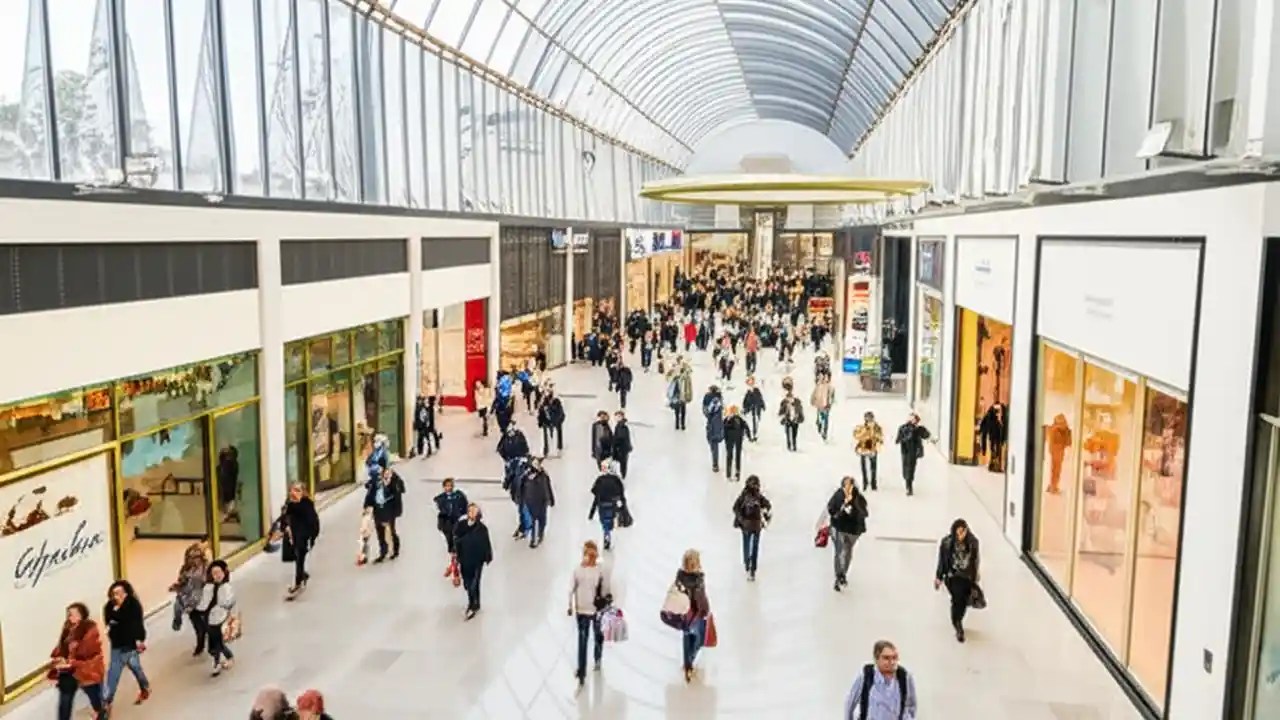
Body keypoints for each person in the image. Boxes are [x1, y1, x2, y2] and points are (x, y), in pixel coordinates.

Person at [48, 602, 106, 720]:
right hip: (68, 671)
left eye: (73, 614)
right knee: (65, 697)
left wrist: (70, 661)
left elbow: (88, 651)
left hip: (85, 669)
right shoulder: (67, 629)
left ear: (82, 615)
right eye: (69, 615)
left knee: (92, 693)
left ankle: (100, 711)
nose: (70, 617)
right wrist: (59, 659)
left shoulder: (90, 629)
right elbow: (61, 647)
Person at [568, 540, 613, 686]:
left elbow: (606, 588)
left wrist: (570, 604)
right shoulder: (582, 570)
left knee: (588, 638)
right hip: (587, 609)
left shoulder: (597, 570)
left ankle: (589, 664)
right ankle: (588, 665)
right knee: (588, 637)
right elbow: (571, 588)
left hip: (589, 609)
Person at [102, 580, 150, 710]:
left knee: (129, 669)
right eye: (114, 593)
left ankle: (144, 687)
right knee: (118, 671)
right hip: (117, 645)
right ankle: (107, 702)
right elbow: (109, 623)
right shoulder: (109, 607)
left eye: (120, 593)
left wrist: (139, 639)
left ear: (126, 592)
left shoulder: (133, 605)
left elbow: (137, 623)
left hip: (130, 644)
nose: (117, 596)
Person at [842, 640, 918, 720]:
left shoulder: (905, 677)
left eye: (894, 657)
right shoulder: (866, 675)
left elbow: (911, 706)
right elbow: (850, 703)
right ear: (876, 659)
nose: (891, 662)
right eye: (886, 658)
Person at [935, 518, 980, 642]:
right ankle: (957, 624)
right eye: (958, 532)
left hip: (967, 576)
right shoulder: (947, 543)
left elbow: (975, 561)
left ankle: (958, 618)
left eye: (963, 532)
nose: (960, 535)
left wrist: (975, 578)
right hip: (953, 576)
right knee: (957, 598)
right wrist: (938, 577)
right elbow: (942, 561)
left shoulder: (973, 543)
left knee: (963, 601)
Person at [675, 549, 712, 683]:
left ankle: (687, 665)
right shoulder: (699, 578)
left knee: (686, 638)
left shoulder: (680, 576)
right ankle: (690, 660)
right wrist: (706, 611)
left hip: (684, 613)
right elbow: (701, 598)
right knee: (699, 640)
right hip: (697, 614)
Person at [827, 476, 869, 591]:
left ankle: (841, 574)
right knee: (842, 551)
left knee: (844, 552)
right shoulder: (841, 495)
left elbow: (864, 513)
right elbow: (831, 508)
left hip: (849, 530)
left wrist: (851, 510)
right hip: (843, 529)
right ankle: (840, 575)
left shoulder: (856, 498)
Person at [453, 503, 493, 619]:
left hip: (477, 560)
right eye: (470, 511)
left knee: (474, 583)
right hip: (464, 559)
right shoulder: (461, 525)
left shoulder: (482, 528)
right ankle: (475, 601)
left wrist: (487, 556)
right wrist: (455, 553)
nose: (472, 513)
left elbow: (486, 543)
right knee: (467, 582)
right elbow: (456, 538)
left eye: (474, 511)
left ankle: (473, 604)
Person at [169, 540, 209, 656]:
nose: (193, 560)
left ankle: (201, 643)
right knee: (180, 609)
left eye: (196, 557)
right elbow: (181, 581)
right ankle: (178, 622)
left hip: (201, 598)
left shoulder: (206, 568)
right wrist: (176, 586)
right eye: (191, 557)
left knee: (201, 623)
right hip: (188, 597)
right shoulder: (186, 569)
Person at [282, 483, 321, 598]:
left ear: (302, 492)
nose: (293, 492)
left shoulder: (307, 504)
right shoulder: (290, 505)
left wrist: (312, 537)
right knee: (298, 558)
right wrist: (286, 529)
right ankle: (303, 575)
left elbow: (314, 522)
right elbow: (284, 519)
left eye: (297, 490)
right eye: (292, 490)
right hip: (294, 537)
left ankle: (298, 583)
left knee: (299, 559)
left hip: (304, 537)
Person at [200, 559, 237, 676]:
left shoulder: (226, 587)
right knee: (213, 645)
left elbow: (229, 602)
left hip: (220, 619)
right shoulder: (208, 588)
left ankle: (219, 662)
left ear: (224, 572)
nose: (216, 575)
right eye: (214, 573)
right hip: (209, 619)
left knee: (218, 644)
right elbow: (203, 603)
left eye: (218, 572)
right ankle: (223, 658)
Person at [732, 475, 772, 580]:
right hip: (756, 525)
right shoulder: (758, 496)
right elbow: (768, 505)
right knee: (755, 546)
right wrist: (766, 515)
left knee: (746, 543)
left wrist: (740, 519)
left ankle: (747, 562)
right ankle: (752, 567)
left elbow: (735, 508)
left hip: (746, 525)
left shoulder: (743, 496)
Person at [366, 465, 406, 562]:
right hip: (378, 510)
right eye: (384, 473)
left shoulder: (395, 482)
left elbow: (401, 490)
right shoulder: (377, 481)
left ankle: (395, 549)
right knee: (380, 532)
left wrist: (393, 480)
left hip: (389, 510)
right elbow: (368, 488)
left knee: (390, 531)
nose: (386, 475)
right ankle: (383, 552)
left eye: (389, 473)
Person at [589, 461, 626, 550]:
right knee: (610, 519)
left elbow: (594, 491)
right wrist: (622, 504)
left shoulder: (600, 479)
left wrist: (591, 513)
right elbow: (621, 492)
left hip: (602, 503)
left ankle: (606, 533)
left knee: (604, 521)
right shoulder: (616, 479)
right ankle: (608, 531)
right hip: (612, 503)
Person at [521, 457, 555, 548]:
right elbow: (521, 487)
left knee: (542, 520)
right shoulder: (527, 475)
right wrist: (521, 499)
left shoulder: (544, 475)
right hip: (531, 501)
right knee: (533, 520)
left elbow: (548, 487)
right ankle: (533, 539)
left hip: (542, 501)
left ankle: (540, 534)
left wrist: (551, 499)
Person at [895, 414, 931, 496]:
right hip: (905, 451)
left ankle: (909, 486)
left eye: (913, 419)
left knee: (910, 469)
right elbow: (897, 440)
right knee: (905, 469)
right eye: (910, 418)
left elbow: (926, 435)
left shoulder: (918, 429)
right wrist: (902, 438)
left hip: (914, 452)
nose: (911, 420)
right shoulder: (903, 428)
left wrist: (920, 430)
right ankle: (907, 482)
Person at [433, 478, 469, 555]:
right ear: (444, 487)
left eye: (450, 486)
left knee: (456, 534)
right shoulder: (441, 498)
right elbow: (438, 507)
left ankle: (456, 549)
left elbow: (464, 505)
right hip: (446, 520)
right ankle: (452, 549)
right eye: (447, 486)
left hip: (456, 518)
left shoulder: (458, 496)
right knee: (449, 535)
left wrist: (463, 514)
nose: (448, 488)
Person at [854, 412, 884, 491]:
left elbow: (880, 438)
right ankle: (865, 482)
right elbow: (856, 436)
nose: (868, 420)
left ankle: (873, 483)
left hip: (873, 449)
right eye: (867, 418)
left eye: (870, 418)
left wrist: (876, 439)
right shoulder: (861, 427)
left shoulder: (877, 428)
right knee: (864, 467)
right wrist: (865, 434)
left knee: (873, 467)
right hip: (863, 448)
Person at [722, 405, 751, 481]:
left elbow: (723, 429)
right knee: (737, 456)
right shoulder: (739, 419)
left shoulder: (727, 420)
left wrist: (723, 437)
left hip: (729, 440)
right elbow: (746, 427)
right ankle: (737, 473)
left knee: (729, 456)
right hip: (738, 438)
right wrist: (749, 436)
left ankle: (728, 474)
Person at [537, 385, 566, 456]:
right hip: (546, 421)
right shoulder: (544, 402)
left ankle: (559, 448)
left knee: (558, 433)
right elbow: (541, 412)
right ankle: (546, 450)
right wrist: (540, 421)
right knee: (546, 436)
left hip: (556, 420)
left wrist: (549, 408)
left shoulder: (556, 401)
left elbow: (560, 412)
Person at [702, 385, 726, 473]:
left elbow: (705, 411)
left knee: (713, 444)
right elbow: (723, 410)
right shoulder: (719, 399)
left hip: (711, 425)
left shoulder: (707, 398)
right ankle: (715, 463)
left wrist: (708, 416)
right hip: (718, 425)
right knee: (715, 443)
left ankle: (715, 463)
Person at [667, 359, 694, 430]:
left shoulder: (684, 378)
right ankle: (681, 424)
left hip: (680, 396)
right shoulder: (684, 378)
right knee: (682, 410)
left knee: (679, 410)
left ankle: (679, 424)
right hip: (681, 396)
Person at [811, 371, 835, 441]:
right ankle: (819, 426)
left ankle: (824, 433)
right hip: (819, 405)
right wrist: (813, 401)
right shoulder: (818, 386)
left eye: (827, 377)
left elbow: (832, 397)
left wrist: (830, 403)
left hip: (826, 406)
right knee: (819, 419)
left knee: (825, 419)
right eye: (824, 377)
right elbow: (814, 394)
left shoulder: (830, 387)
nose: (825, 379)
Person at [742, 376, 766, 440]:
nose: (751, 383)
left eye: (752, 381)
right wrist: (745, 408)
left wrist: (763, 405)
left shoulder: (756, 390)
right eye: (749, 381)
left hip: (757, 409)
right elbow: (745, 401)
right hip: (750, 409)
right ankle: (751, 435)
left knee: (756, 421)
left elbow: (760, 398)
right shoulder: (747, 391)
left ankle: (755, 434)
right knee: (751, 423)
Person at [612, 411, 633, 479]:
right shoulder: (619, 426)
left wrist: (616, 444)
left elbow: (621, 437)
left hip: (622, 448)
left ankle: (623, 476)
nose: (617, 418)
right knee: (622, 463)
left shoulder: (622, 426)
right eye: (616, 417)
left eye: (619, 417)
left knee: (622, 463)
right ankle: (622, 475)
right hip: (623, 448)